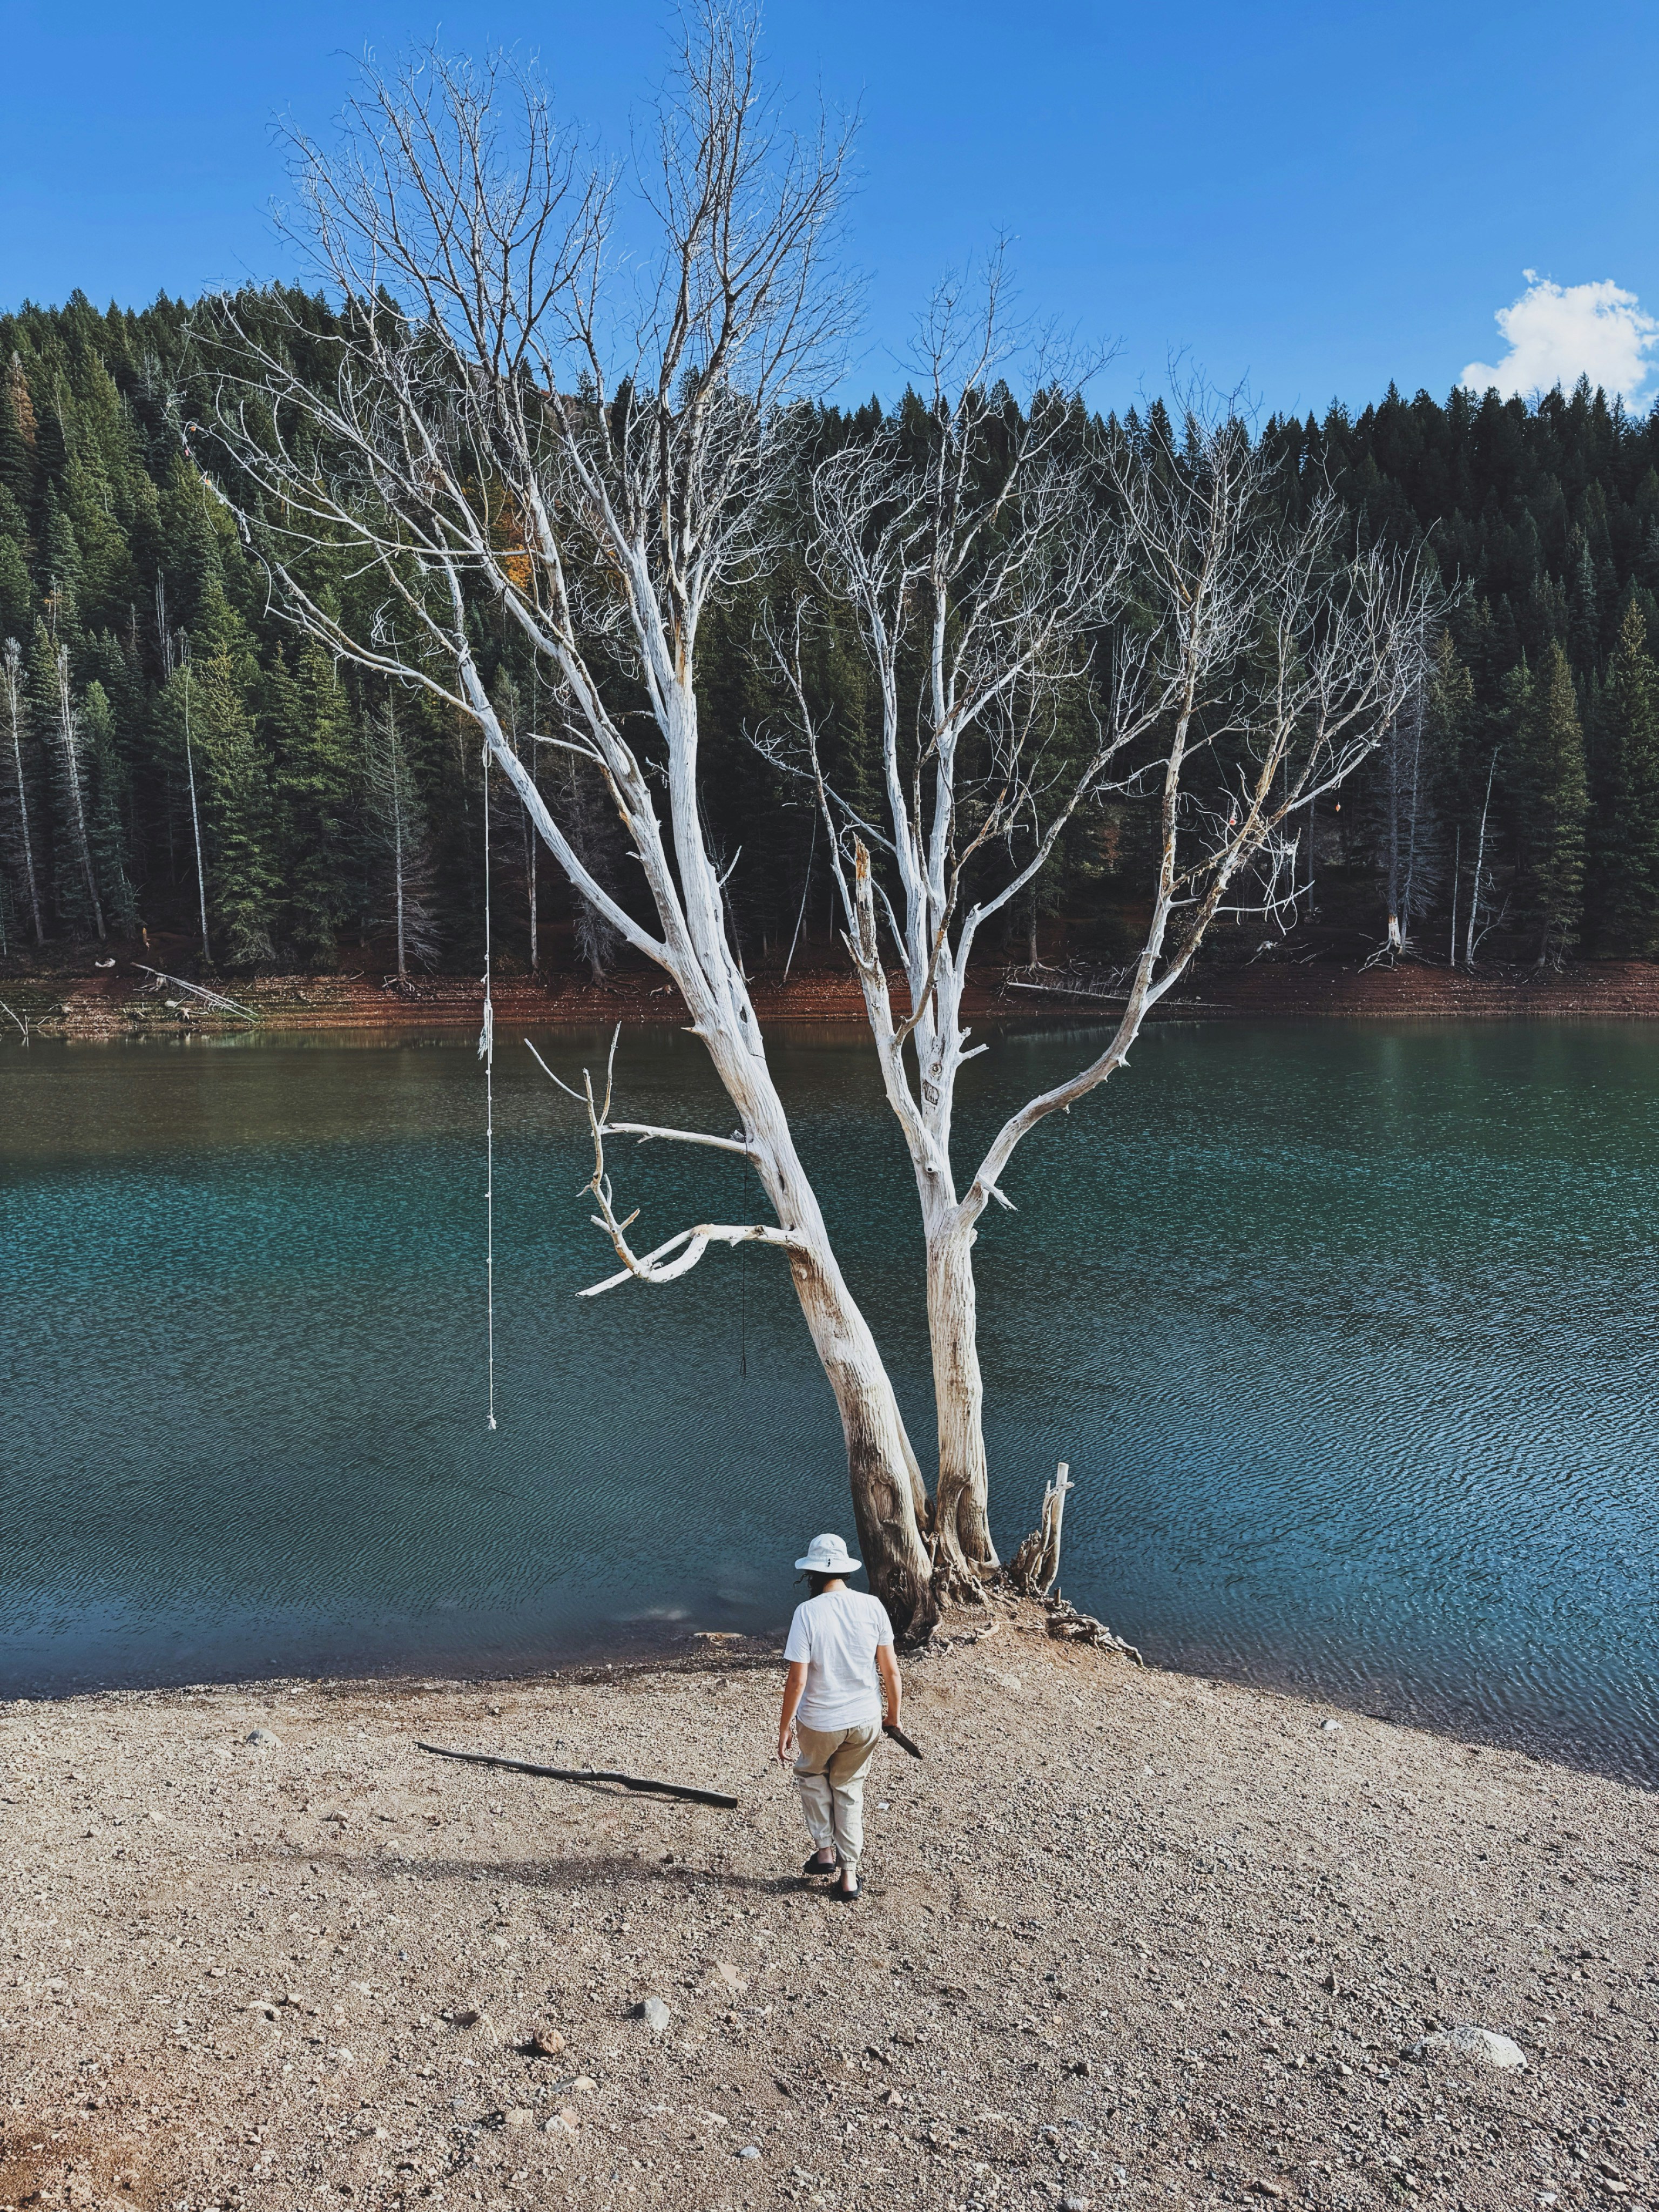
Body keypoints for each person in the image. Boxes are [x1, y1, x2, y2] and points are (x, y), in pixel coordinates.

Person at [776, 1532, 901, 1903]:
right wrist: (892, 1716)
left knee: (812, 1774)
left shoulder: (807, 1613)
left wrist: (784, 1727)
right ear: (845, 1572)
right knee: (848, 1789)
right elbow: (891, 1671)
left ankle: (825, 1851)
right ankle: (848, 1877)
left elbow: (797, 1680)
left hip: (820, 1721)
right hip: (865, 1718)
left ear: (812, 1575)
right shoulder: (873, 1607)